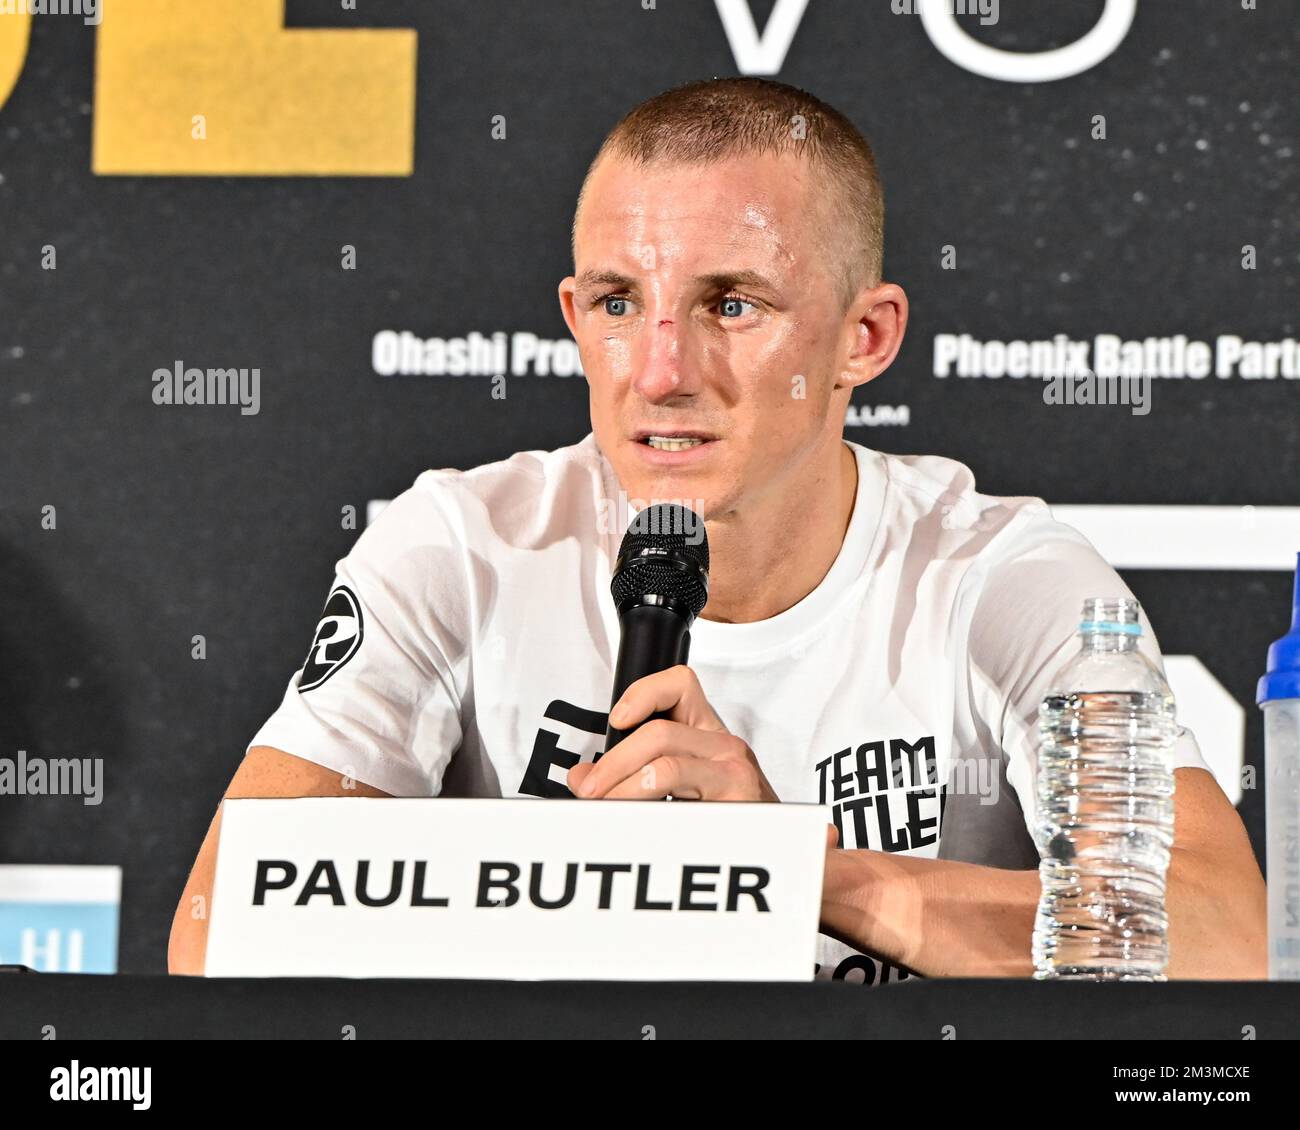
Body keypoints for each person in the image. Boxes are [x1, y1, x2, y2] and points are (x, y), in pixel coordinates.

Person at [169, 77, 1265, 984]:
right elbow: (222, 929)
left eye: (730, 304)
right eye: (615, 305)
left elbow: (1221, 942)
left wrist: (789, 869)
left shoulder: (1004, 577)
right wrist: (568, 888)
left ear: (864, 337)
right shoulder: (461, 548)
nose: (659, 373)